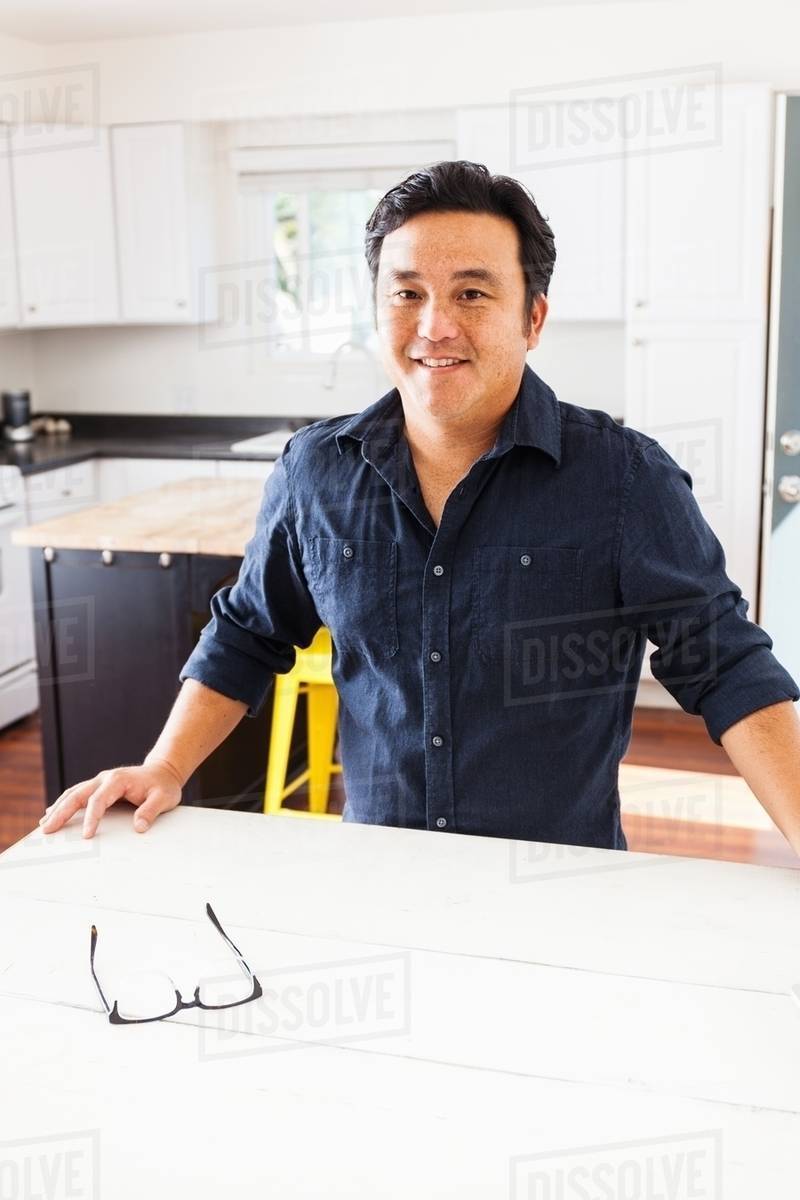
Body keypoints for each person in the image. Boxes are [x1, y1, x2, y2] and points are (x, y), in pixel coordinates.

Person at [39, 160, 800, 849]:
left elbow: (725, 663)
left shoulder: (624, 479)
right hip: (378, 872)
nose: (435, 326)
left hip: (556, 884)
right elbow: (247, 634)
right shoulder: (314, 471)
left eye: (472, 293)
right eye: (407, 294)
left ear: (532, 318)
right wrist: (165, 766)